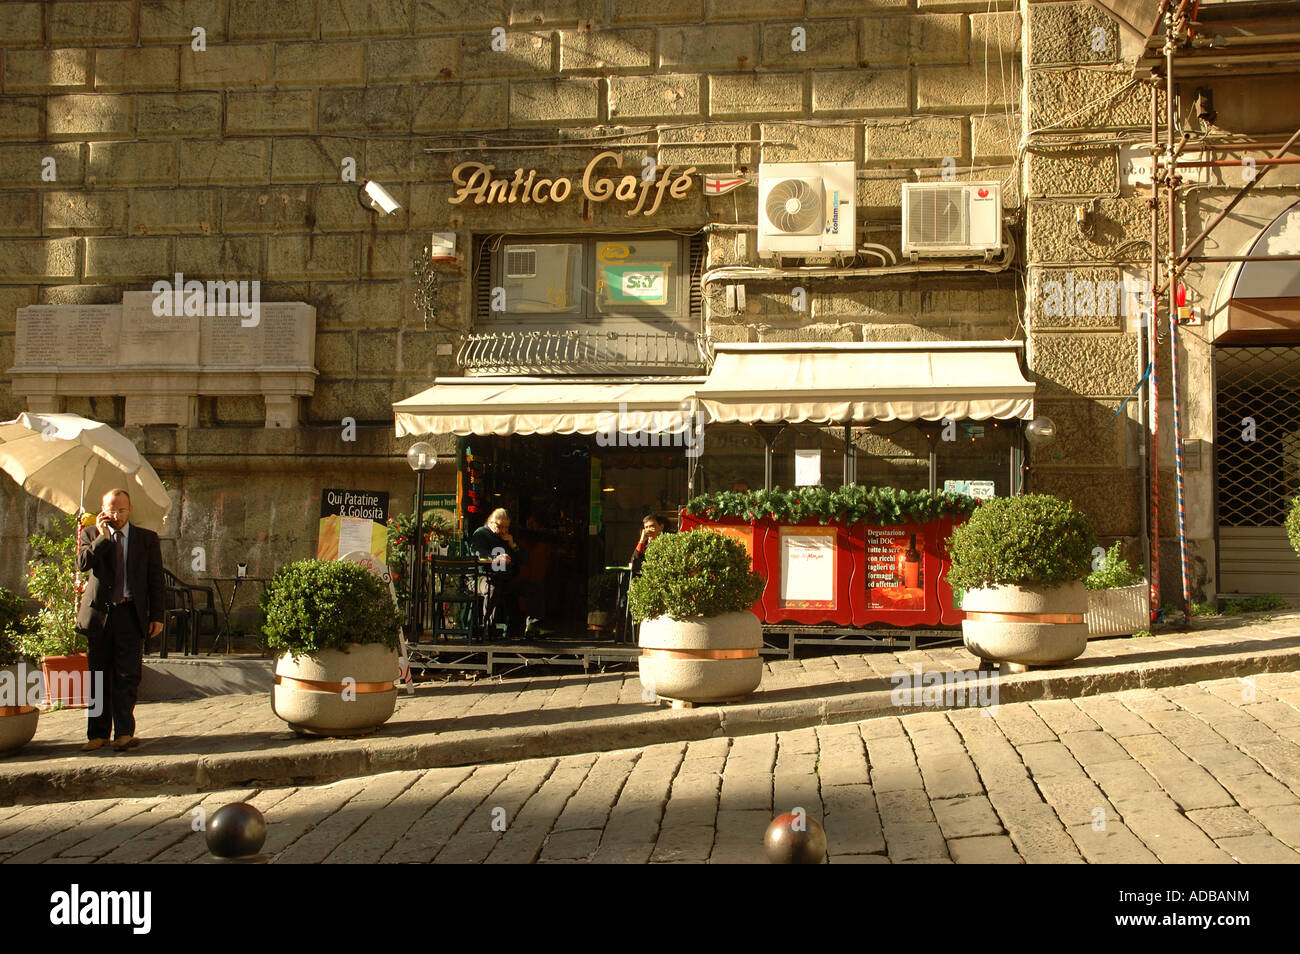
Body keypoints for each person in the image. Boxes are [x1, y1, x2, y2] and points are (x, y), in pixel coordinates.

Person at [77, 489, 165, 752]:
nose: (116, 516)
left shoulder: (146, 539)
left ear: (130, 509)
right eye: (111, 510)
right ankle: (98, 733)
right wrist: (103, 538)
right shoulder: (91, 535)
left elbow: (155, 580)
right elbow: (83, 563)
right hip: (100, 614)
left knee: (128, 674)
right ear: (102, 509)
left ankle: (124, 732)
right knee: (98, 675)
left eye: (121, 510)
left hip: (129, 612)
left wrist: (158, 616)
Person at [470, 508, 542, 638]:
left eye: (506, 527)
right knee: (492, 588)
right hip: (483, 577)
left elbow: (525, 559)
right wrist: (495, 559)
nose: (503, 530)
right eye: (500, 527)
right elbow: (477, 554)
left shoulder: (506, 537)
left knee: (534, 588)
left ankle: (532, 627)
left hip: (505, 579)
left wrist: (513, 545)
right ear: (491, 522)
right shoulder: (481, 534)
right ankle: (487, 627)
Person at [630, 513, 667, 577]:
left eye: (652, 526)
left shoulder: (667, 543)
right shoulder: (643, 544)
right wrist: (641, 541)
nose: (648, 529)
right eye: (646, 527)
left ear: (661, 527)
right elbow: (634, 565)